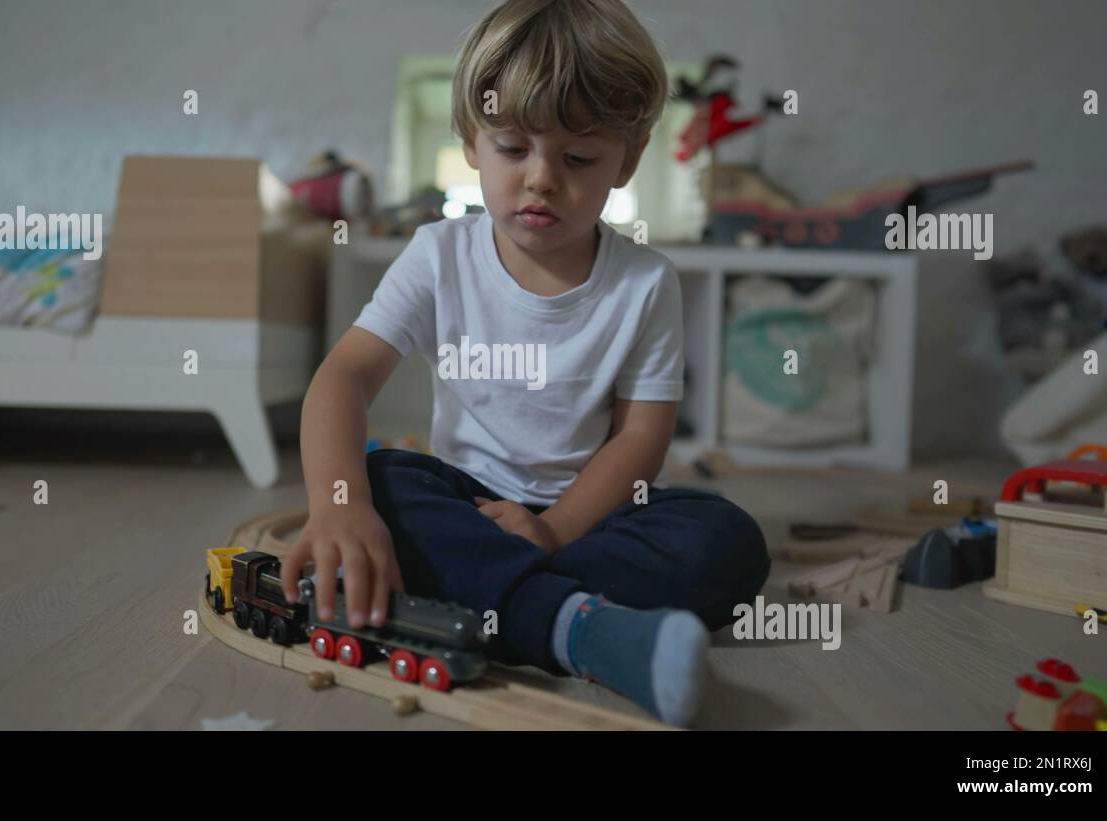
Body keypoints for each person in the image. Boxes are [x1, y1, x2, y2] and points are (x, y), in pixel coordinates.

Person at [282, 0, 769, 727]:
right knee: (385, 481)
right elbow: (343, 377)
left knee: (727, 540)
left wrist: (553, 530)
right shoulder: (437, 254)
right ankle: (576, 624)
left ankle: (497, 603)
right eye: (513, 148)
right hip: (468, 502)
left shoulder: (644, 282)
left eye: (577, 158)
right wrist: (339, 505)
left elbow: (640, 440)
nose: (542, 178)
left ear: (627, 160)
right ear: (471, 141)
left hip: (594, 518)